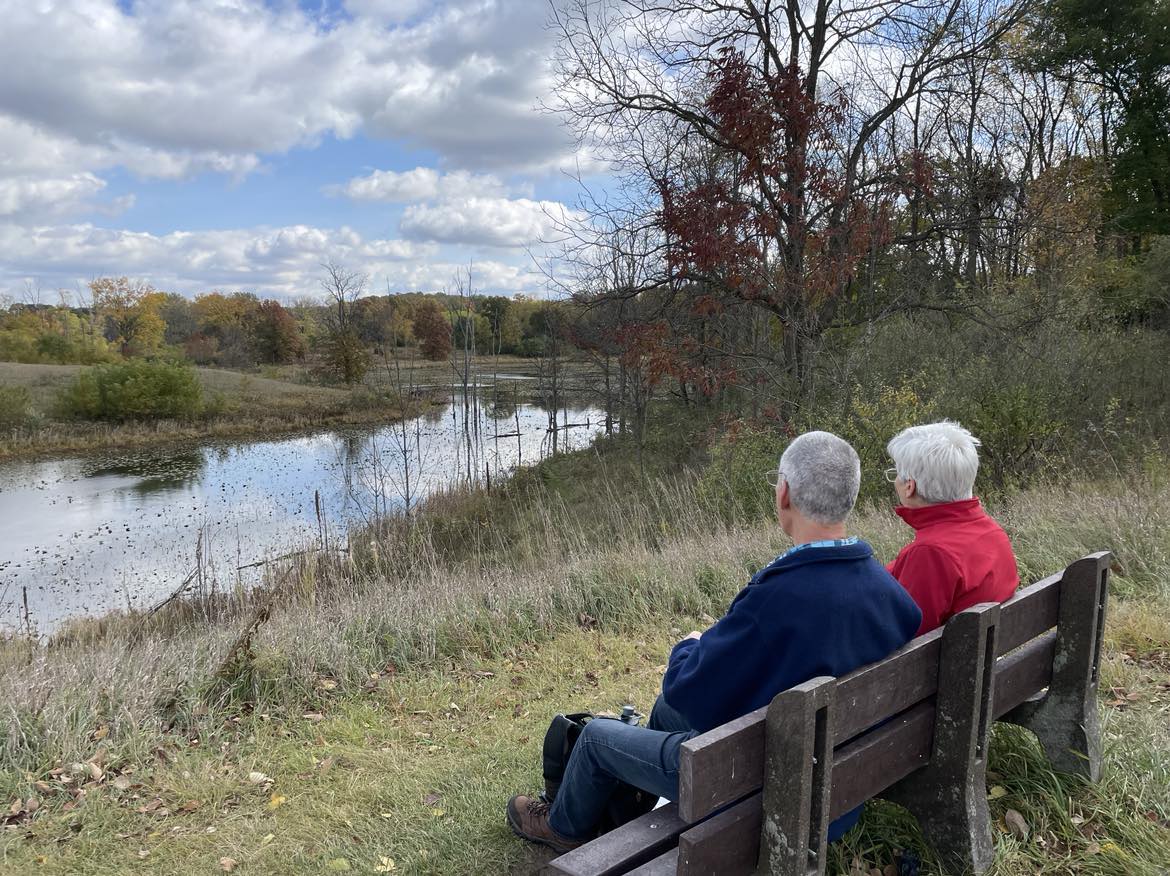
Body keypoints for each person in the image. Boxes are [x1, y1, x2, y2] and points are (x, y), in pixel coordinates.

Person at [506, 431, 922, 852]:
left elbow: (687, 685)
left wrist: (687, 646)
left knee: (597, 735)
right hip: (835, 781)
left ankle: (563, 827)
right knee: (666, 712)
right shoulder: (888, 593)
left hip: (753, 790)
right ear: (849, 497)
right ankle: (626, 802)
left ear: (784, 494)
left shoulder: (777, 598)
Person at [885, 421, 1019, 635]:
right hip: (990, 663)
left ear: (910, 487)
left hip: (949, 667)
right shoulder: (992, 533)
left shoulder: (930, 553)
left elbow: (902, 635)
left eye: (895, 474)